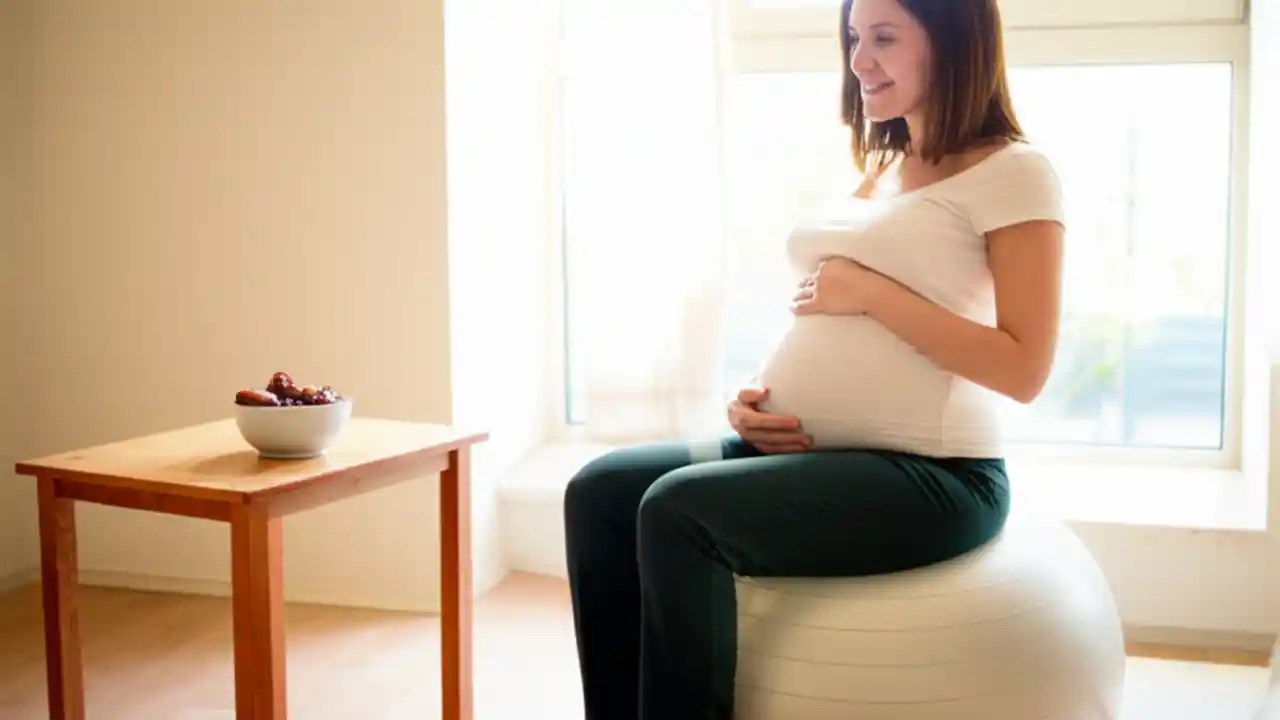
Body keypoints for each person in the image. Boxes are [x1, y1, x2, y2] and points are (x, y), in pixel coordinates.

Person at [563, 0, 1066, 717]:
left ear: (956, 41)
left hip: (936, 477)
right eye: (855, 37)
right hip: (822, 453)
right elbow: (827, 317)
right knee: (601, 489)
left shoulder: (1016, 172)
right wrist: (756, 400)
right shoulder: (885, 167)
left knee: (677, 511)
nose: (860, 59)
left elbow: (1024, 369)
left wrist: (870, 292)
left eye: (885, 38)